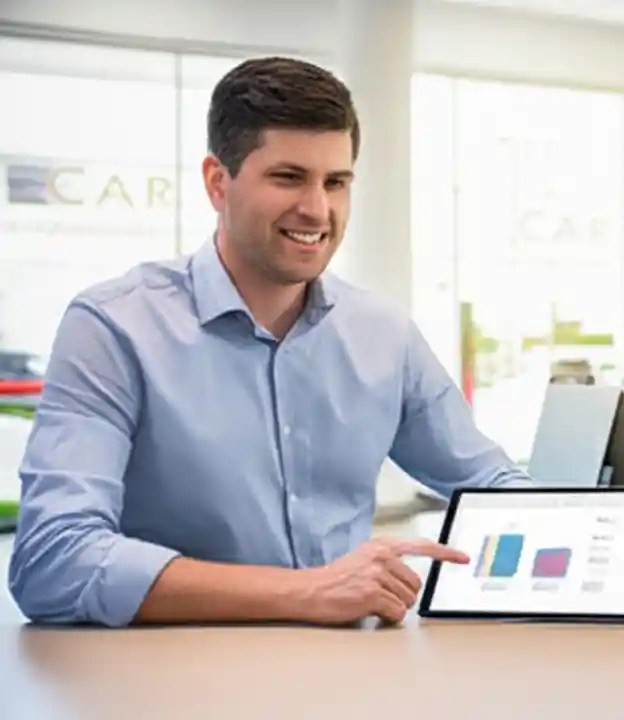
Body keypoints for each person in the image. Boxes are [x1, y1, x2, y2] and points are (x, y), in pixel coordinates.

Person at [8, 57, 532, 628]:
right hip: (173, 684)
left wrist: (601, 531)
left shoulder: (384, 334)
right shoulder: (114, 326)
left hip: (354, 678)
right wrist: (307, 593)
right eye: (288, 178)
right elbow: (53, 560)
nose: (317, 209)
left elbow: (491, 484)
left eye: (336, 182)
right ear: (217, 182)